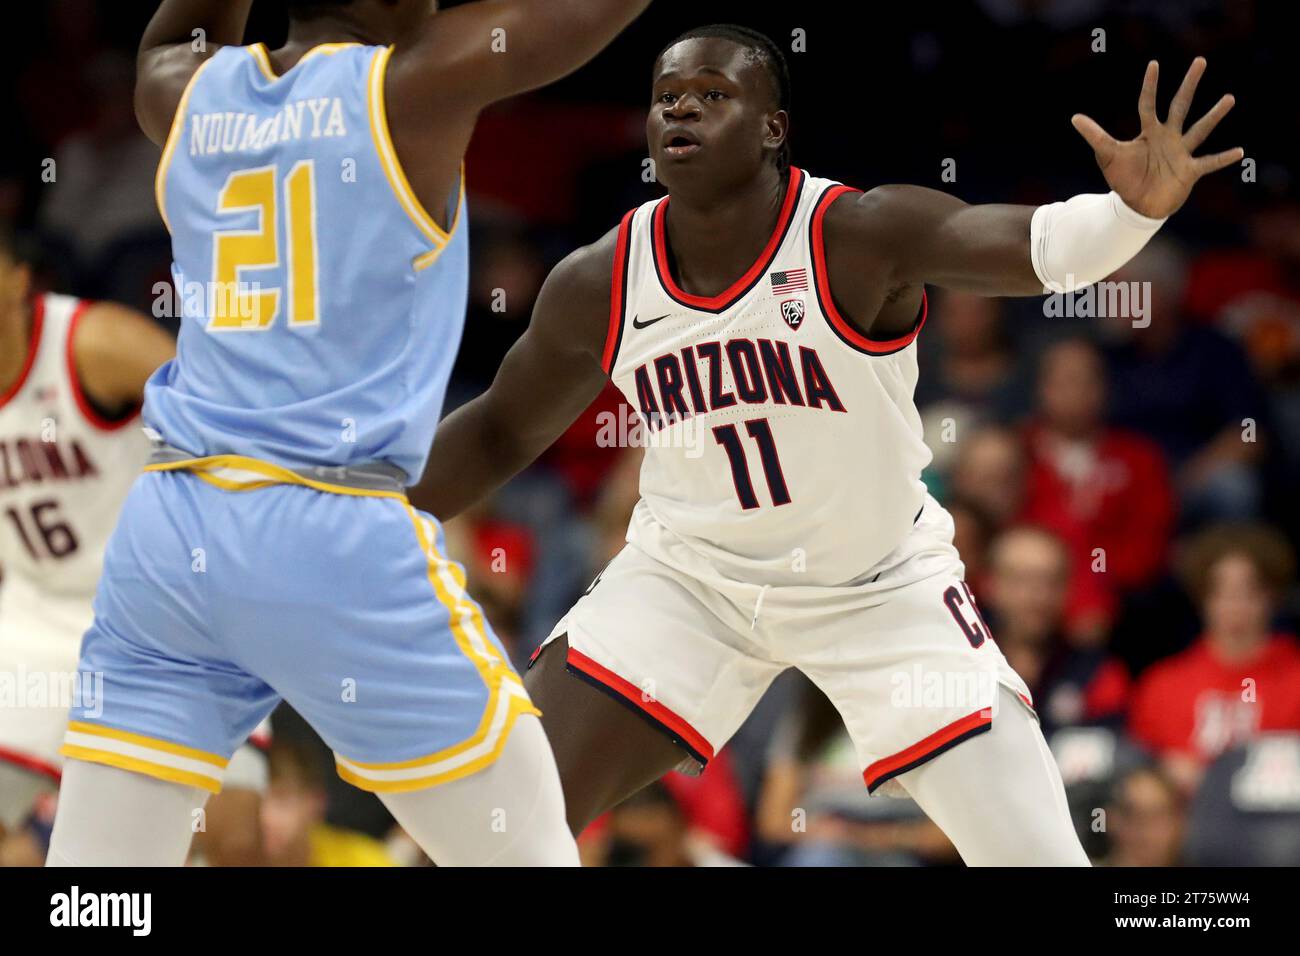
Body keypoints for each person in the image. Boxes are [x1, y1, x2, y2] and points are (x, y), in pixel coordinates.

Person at [415, 24, 1242, 864]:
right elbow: (500, 429)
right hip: (688, 583)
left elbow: (1031, 251)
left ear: (774, 127)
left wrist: (1129, 209)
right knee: (498, 827)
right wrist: (372, 513)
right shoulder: (601, 278)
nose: (681, 111)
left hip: (879, 590)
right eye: (666, 98)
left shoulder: (858, 235)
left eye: (711, 94)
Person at [46, 0, 651, 868]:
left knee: (99, 882)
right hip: (326, 526)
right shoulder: (410, 85)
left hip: (170, 534)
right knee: (526, 851)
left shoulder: (184, 85)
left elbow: (168, 36)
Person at [0, 228, 269, 866]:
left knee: (233, 839)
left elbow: (221, 425)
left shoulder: (92, 343)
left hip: (167, 608)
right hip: (36, 618)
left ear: (17, 279)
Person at [1128, 524, 1300, 794]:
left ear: (1272, 597)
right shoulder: (1162, 685)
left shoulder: (1295, 679)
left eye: (1249, 592)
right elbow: (1139, 776)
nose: (1235, 605)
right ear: (1202, 599)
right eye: (1221, 592)